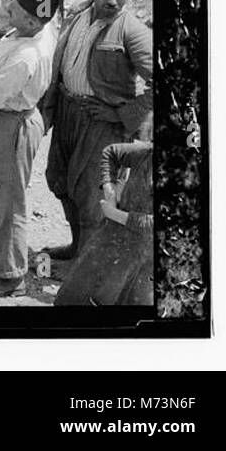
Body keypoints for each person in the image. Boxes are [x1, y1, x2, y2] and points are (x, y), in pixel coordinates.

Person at [43, 0, 152, 260]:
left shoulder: (132, 31)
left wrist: (120, 114)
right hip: (68, 112)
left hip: (101, 125)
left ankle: (88, 271)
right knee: (60, 182)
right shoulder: (78, 14)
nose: (114, 0)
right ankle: (79, 247)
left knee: (93, 197)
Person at [0, 0, 66, 296]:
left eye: (19, 9)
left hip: (13, 125)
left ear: (33, 21)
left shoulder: (27, 54)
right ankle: (5, 262)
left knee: (9, 202)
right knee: (4, 194)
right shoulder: (26, 35)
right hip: (9, 120)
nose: (11, 7)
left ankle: (10, 275)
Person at [54, 113, 153, 306]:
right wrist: (108, 186)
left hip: (143, 255)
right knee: (75, 296)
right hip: (111, 238)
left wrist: (115, 214)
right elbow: (111, 152)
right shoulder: (145, 153)